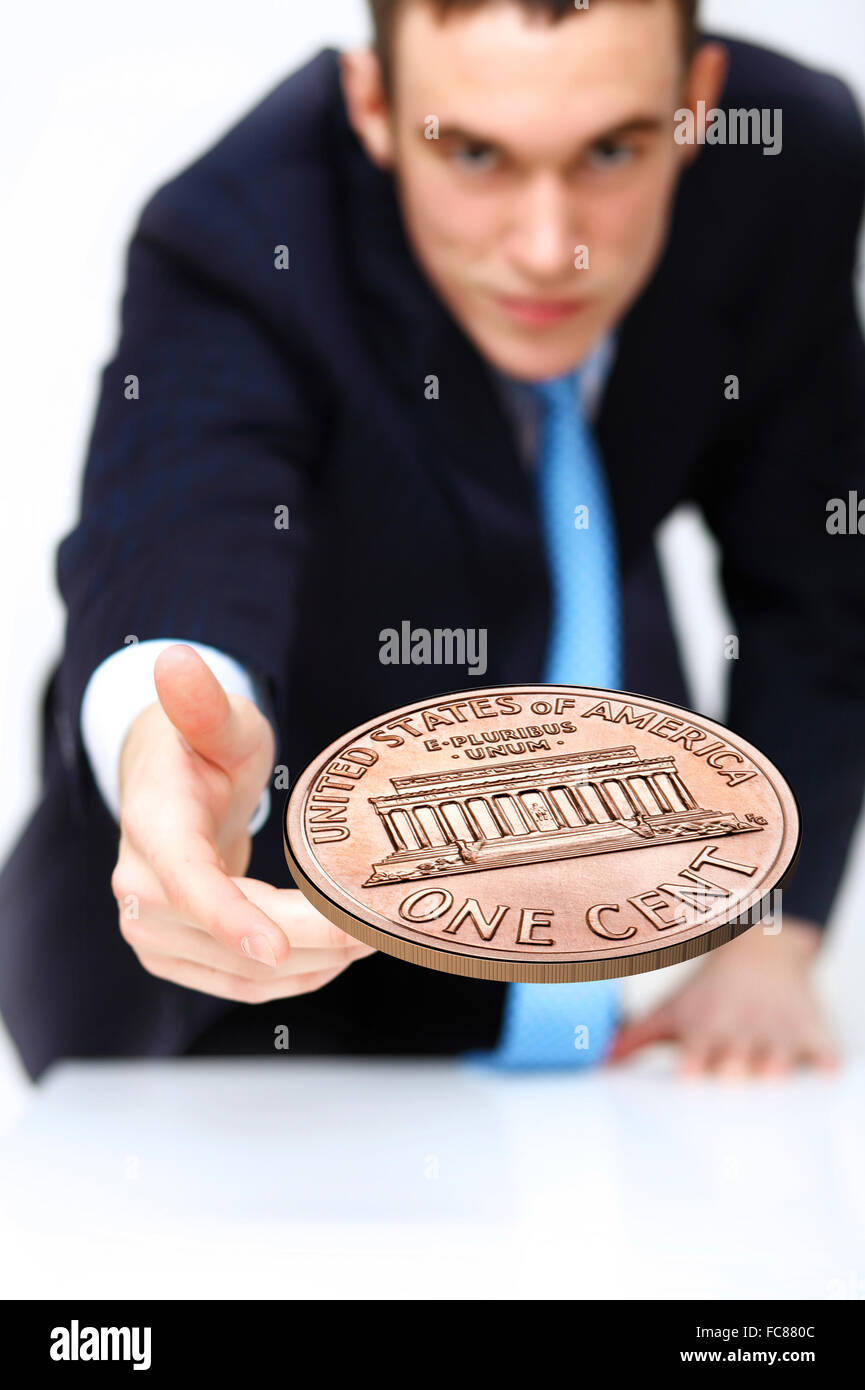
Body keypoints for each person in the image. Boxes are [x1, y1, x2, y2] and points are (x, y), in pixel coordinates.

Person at [1, 0, 863, 1080]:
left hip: (572, 861)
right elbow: (174, 512)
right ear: (373, 104)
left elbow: (816, 575)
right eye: (472, 154)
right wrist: (171, 748)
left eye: (611, 150)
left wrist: (768, 932)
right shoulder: (240, 226)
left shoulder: (791, 166)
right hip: (221, 953)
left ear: (697, 106)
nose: (550, 248)